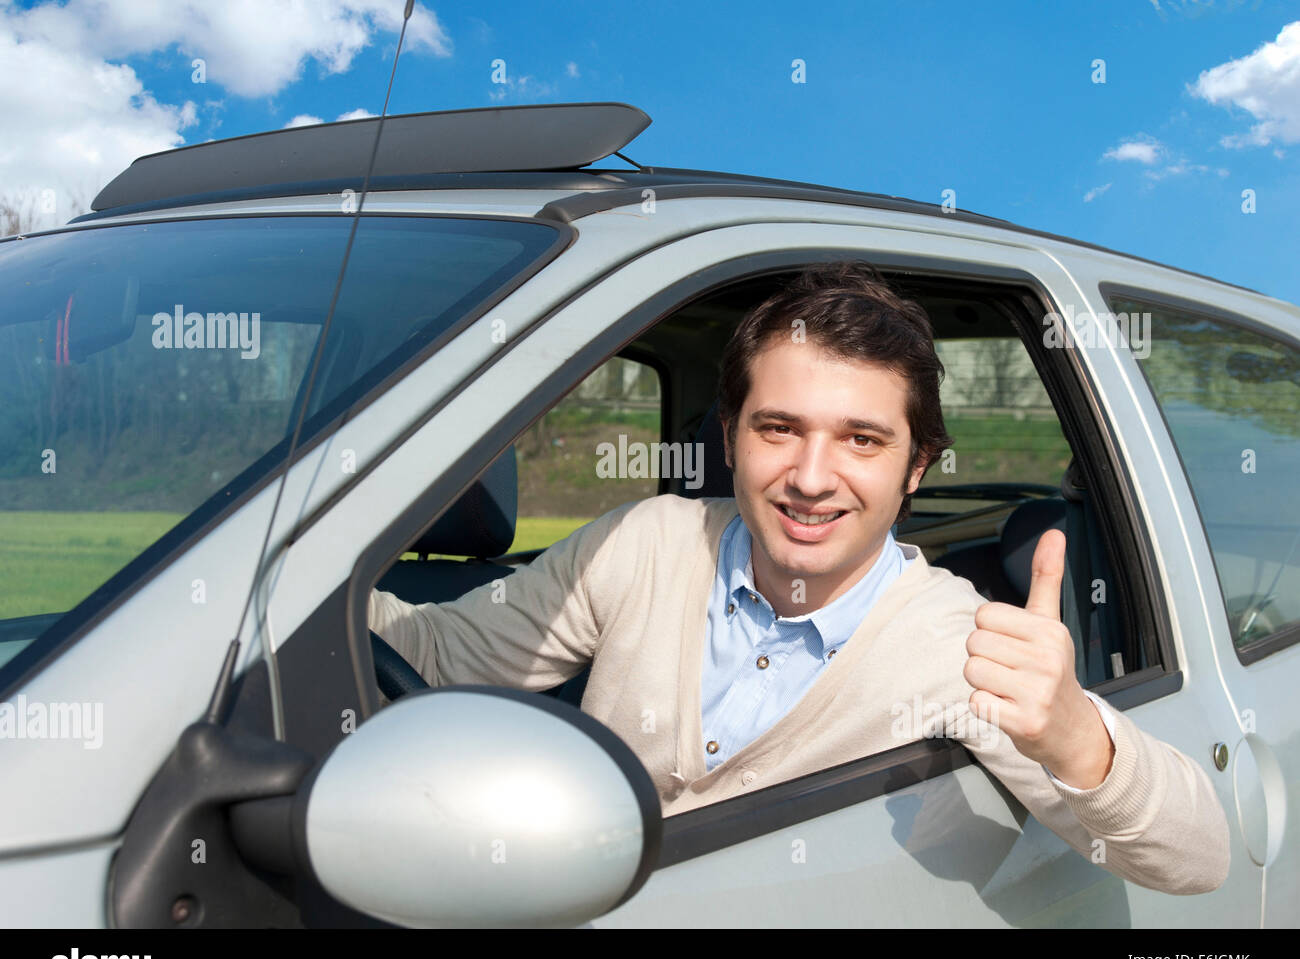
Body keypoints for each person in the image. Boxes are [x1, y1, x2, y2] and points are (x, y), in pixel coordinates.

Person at [368, 261, 1230, 894]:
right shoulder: (645, 543)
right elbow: (437, 656)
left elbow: (1197, 859)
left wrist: (1075, 734)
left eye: (862, 440)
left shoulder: (958, 647)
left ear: (917, 468)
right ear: (731, 436)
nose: (812, 477)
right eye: (779, 428)